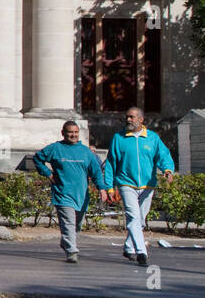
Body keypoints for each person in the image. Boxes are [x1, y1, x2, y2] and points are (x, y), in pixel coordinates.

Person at [100, 107, 175, 267]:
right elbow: (111, 163)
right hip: (126, 183)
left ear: (141, 119)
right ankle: (141, 252)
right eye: (126, 117)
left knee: (140, 220)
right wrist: (110, 187)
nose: (128, 120)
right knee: (133, 217)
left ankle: (128, 248)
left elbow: (163, 155)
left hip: (147, 185)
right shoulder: (119, 138)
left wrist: (167, 170)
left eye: (132, 117)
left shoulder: (152, 138)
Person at [33, 121, 107, 264]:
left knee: (76, 224)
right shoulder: (55, 148)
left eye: (75, 132)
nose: (73, 135)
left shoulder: (86, 152)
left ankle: (66, 241)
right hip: (62, 193)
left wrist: (101, 188)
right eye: (70, 132)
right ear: (63, 133)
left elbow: (96, 171)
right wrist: (48, 173)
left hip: (81, 195)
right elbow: (37, 158)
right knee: (68, 223)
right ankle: (72, 251)